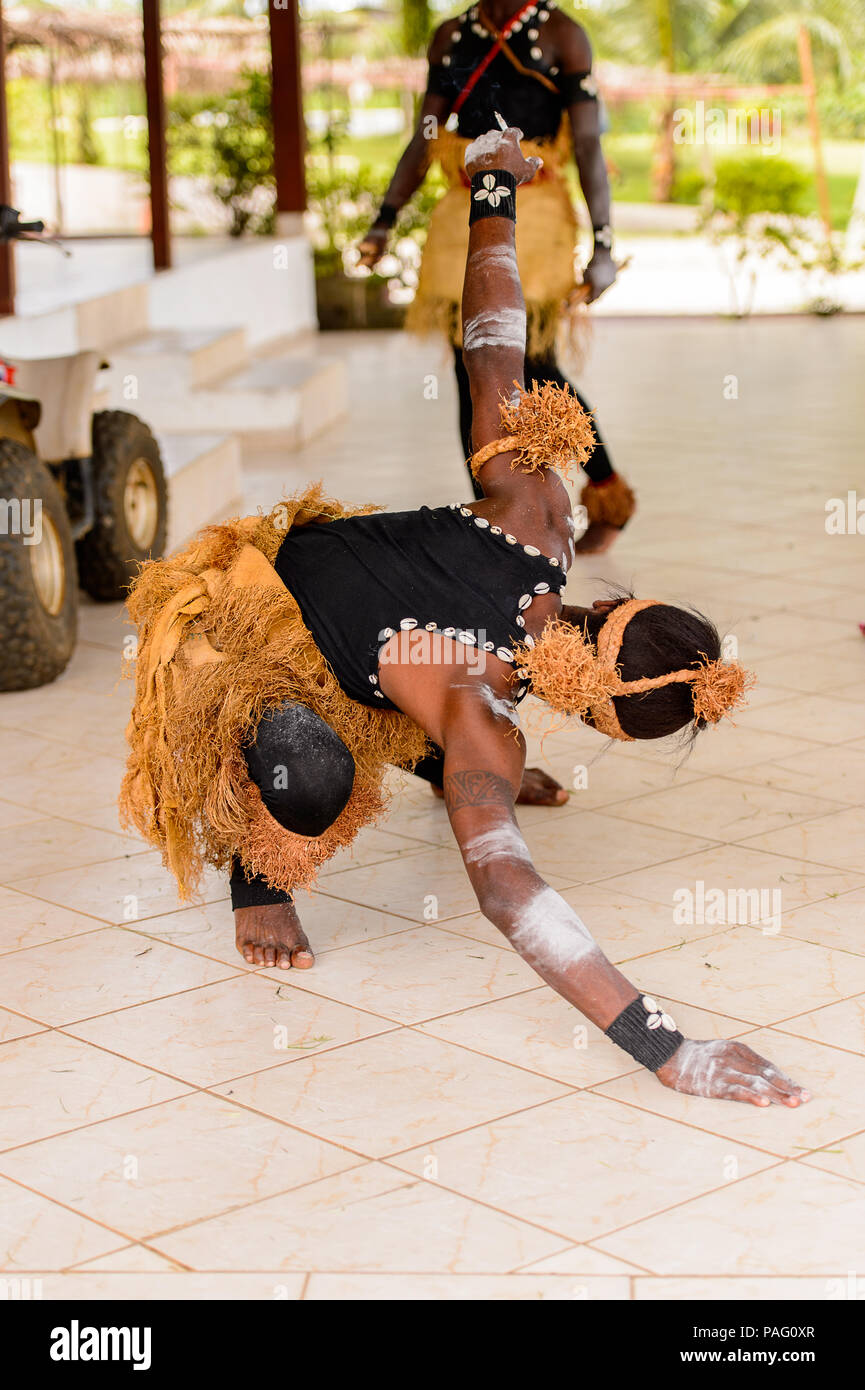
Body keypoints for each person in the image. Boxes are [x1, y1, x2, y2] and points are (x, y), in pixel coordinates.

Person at [121, 126, 809, 1111]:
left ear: (616, 600)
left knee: (422, 707)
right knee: (308, 773)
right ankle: (255, 872)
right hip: (233, 619)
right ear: (595, 716)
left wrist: (493, 184)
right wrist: (665, 1046)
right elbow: (507, 892)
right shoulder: (484, 716)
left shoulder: (540, 524)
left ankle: (401, 745)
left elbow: (494, 344)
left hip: (344, 601)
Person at [358, 0, 635, 553]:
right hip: (463, 210)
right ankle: (496, 521)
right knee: (472, 372)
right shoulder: (450, 37)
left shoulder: (562, 35)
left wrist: (604, 245)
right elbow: (426, 134)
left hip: (535, 209)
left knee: (534, 364)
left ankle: (604, 487)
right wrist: (384, 220)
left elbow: (586, 144)